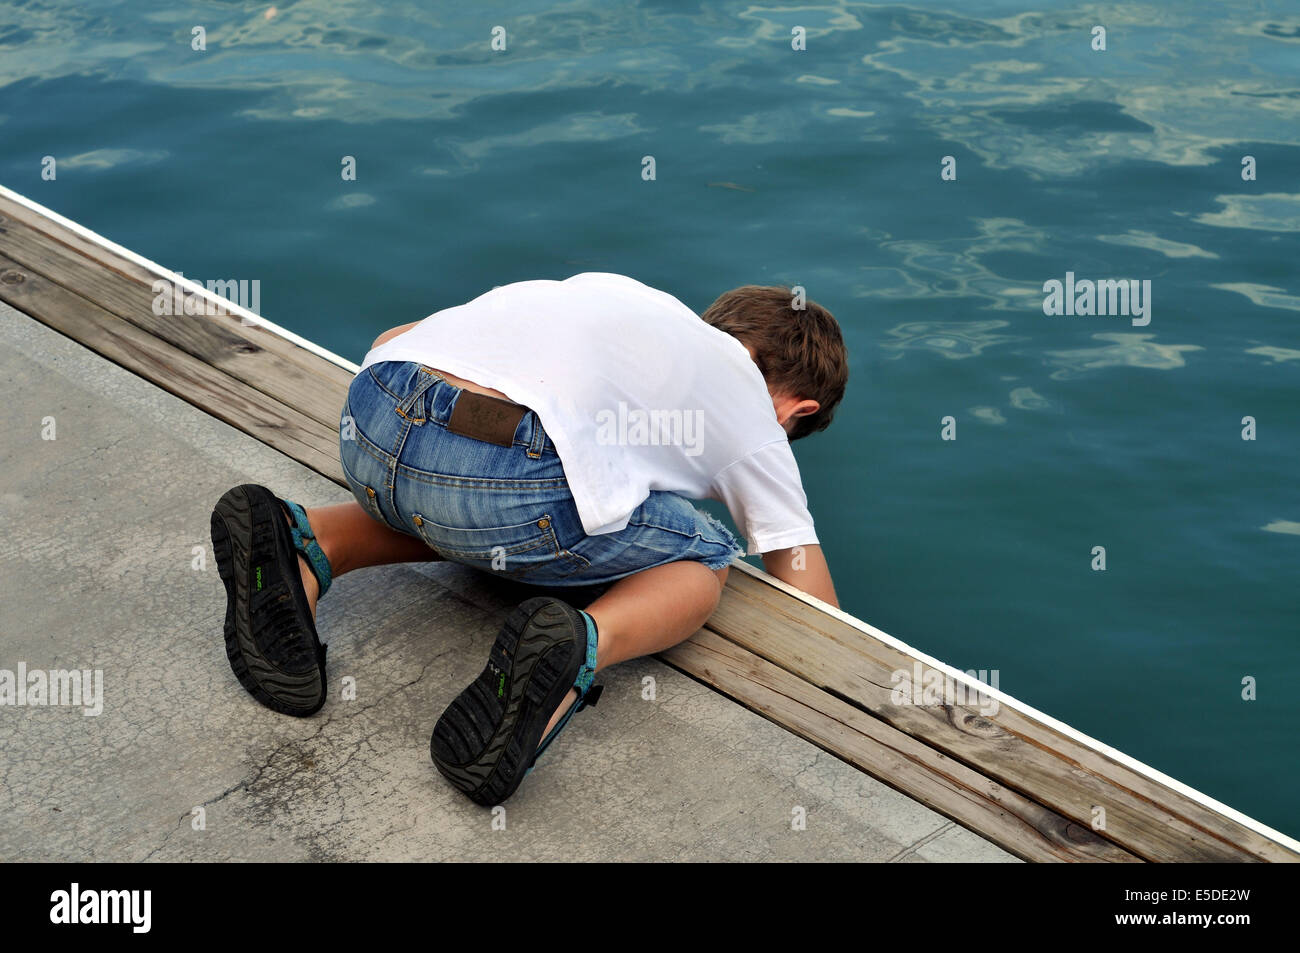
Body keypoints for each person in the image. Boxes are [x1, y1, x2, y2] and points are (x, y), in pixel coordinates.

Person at [210, 273, 848, 806]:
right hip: (506, 476)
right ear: (800, 411)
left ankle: (306, 541)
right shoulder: (751, 405)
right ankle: (579, 651)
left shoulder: (615, 296)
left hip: (374, 415)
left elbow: (390, 340)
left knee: (489, 504)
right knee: (706, 551)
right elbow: (812, 602)